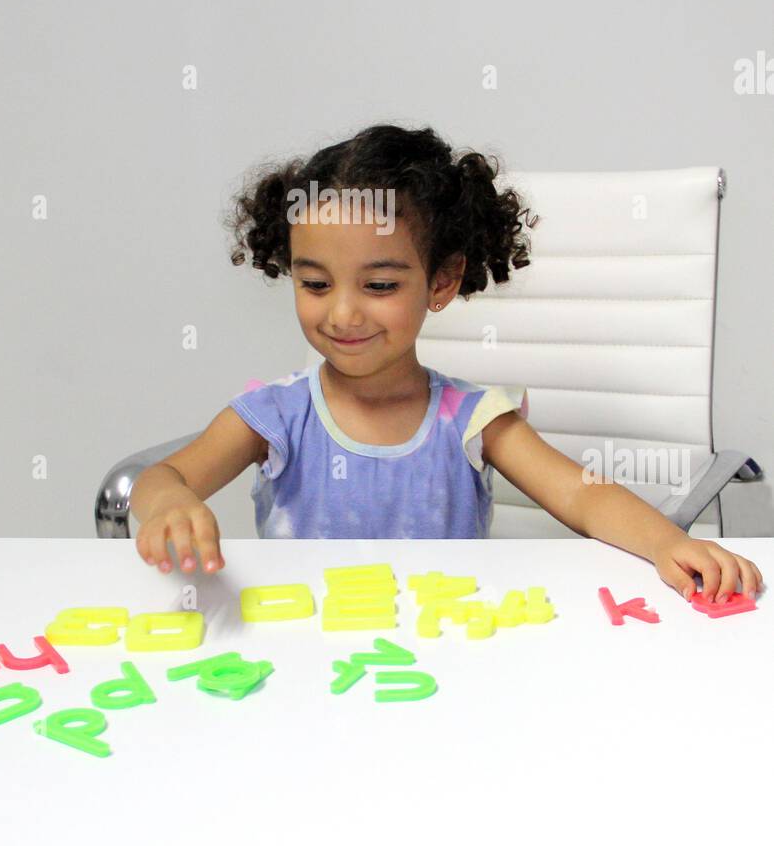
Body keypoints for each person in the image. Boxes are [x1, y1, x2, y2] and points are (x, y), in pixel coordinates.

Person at [130, 122, 763, 606]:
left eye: (379, 287)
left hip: (450, 661)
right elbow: (163, 478)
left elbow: (581, 495)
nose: (343, 314)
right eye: (316, 284)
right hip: (307, 658)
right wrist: (167, 505)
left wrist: (668, 544)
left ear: (442, 281)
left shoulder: (472, 418)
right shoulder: (273, 415)